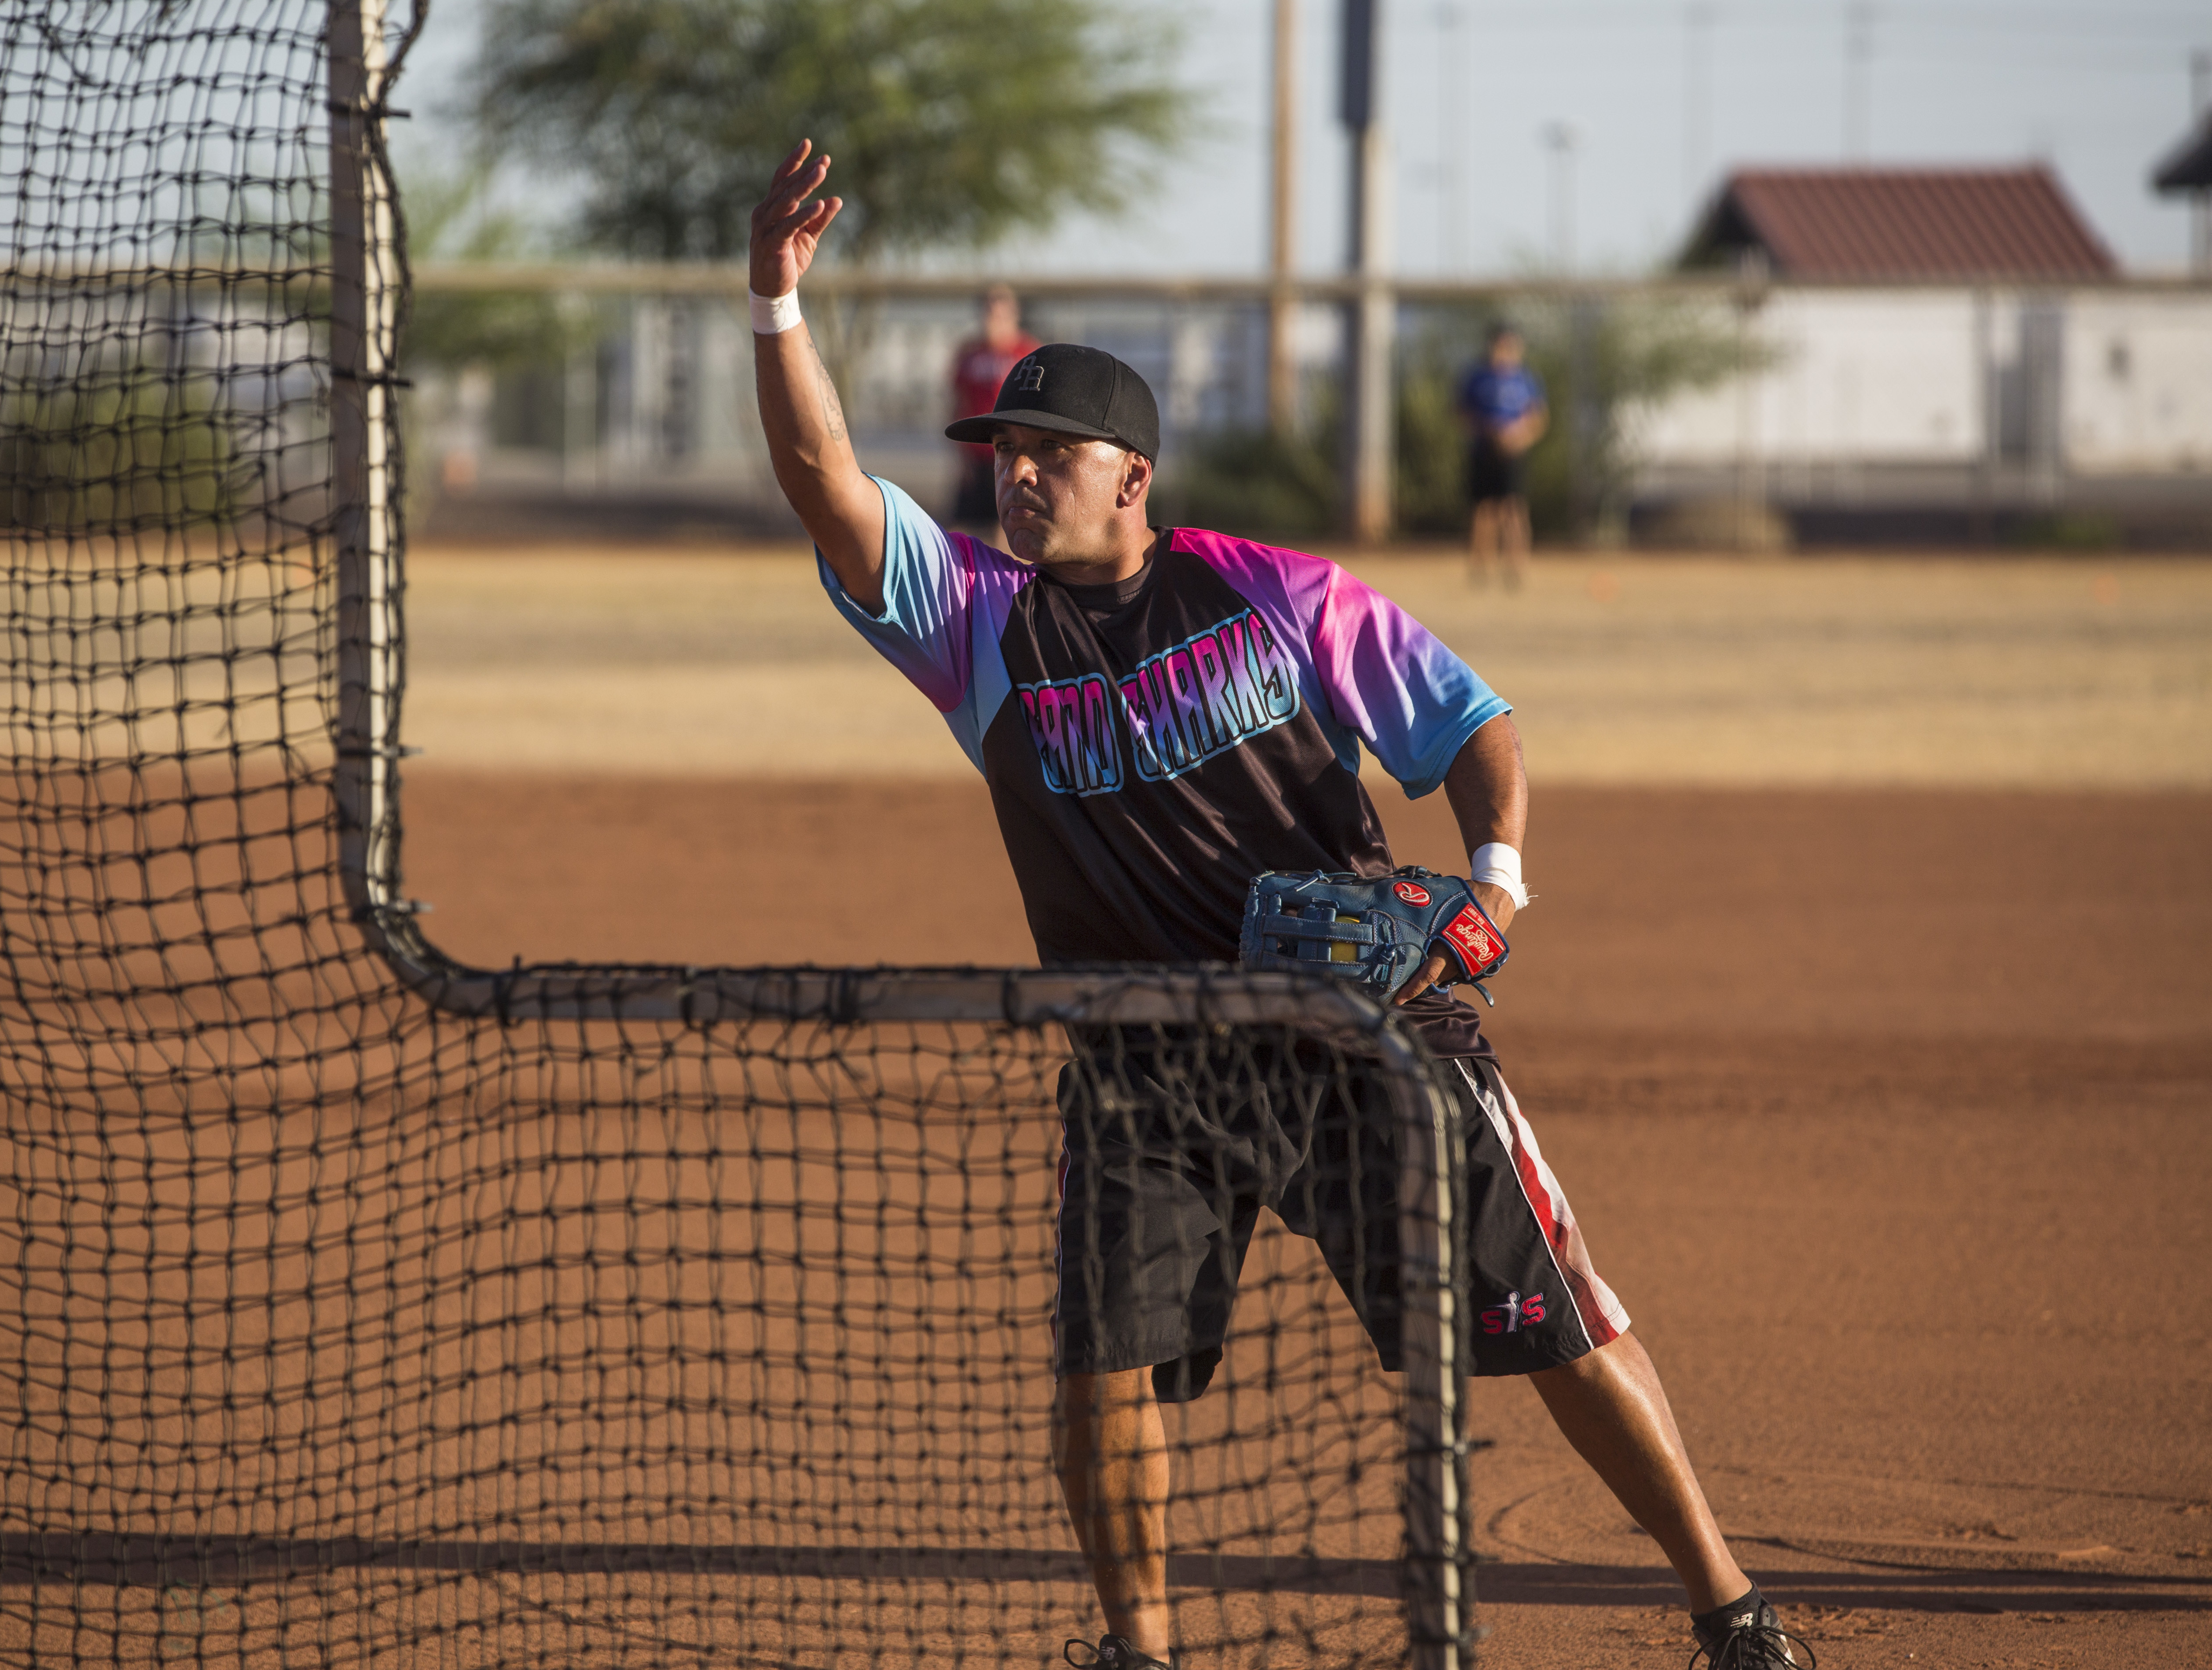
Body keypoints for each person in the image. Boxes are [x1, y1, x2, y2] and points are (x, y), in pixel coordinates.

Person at [746, 142, 1812, 1670]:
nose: (1016, 469)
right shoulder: (976, 625)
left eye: (1050, 447)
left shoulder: (1280, 595)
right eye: (1004, 447)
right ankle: (1141, 1646)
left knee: (1556, 1325)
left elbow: (1472, 727)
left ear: (1134, 474)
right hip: (1144, 1066)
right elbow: (827, 484)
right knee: (1103, 1371)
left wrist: (1492, 891)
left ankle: (1727, 1601)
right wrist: (780, 311)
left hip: (1360, 1037)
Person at [1458, 322, 1546, 591]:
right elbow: (1462, 412)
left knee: (1514, 510)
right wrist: (1488, 432)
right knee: (1483, 510)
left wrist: (1518, 438)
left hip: (1513, 454)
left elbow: (1539, 418)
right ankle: (1480, 569)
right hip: (1484, 451)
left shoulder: (1526, 379)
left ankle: (1516, 568)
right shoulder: (1478, 377)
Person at [948, 283, 1040, 532]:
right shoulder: (969, 352)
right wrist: (961, 458)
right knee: (961, 529)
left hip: (1011, 453)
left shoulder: (1028, 353)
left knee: (1009, 524)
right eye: (989, 312)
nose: (994, 320)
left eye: (1001, 313)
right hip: (977, 455)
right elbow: (958, 403)